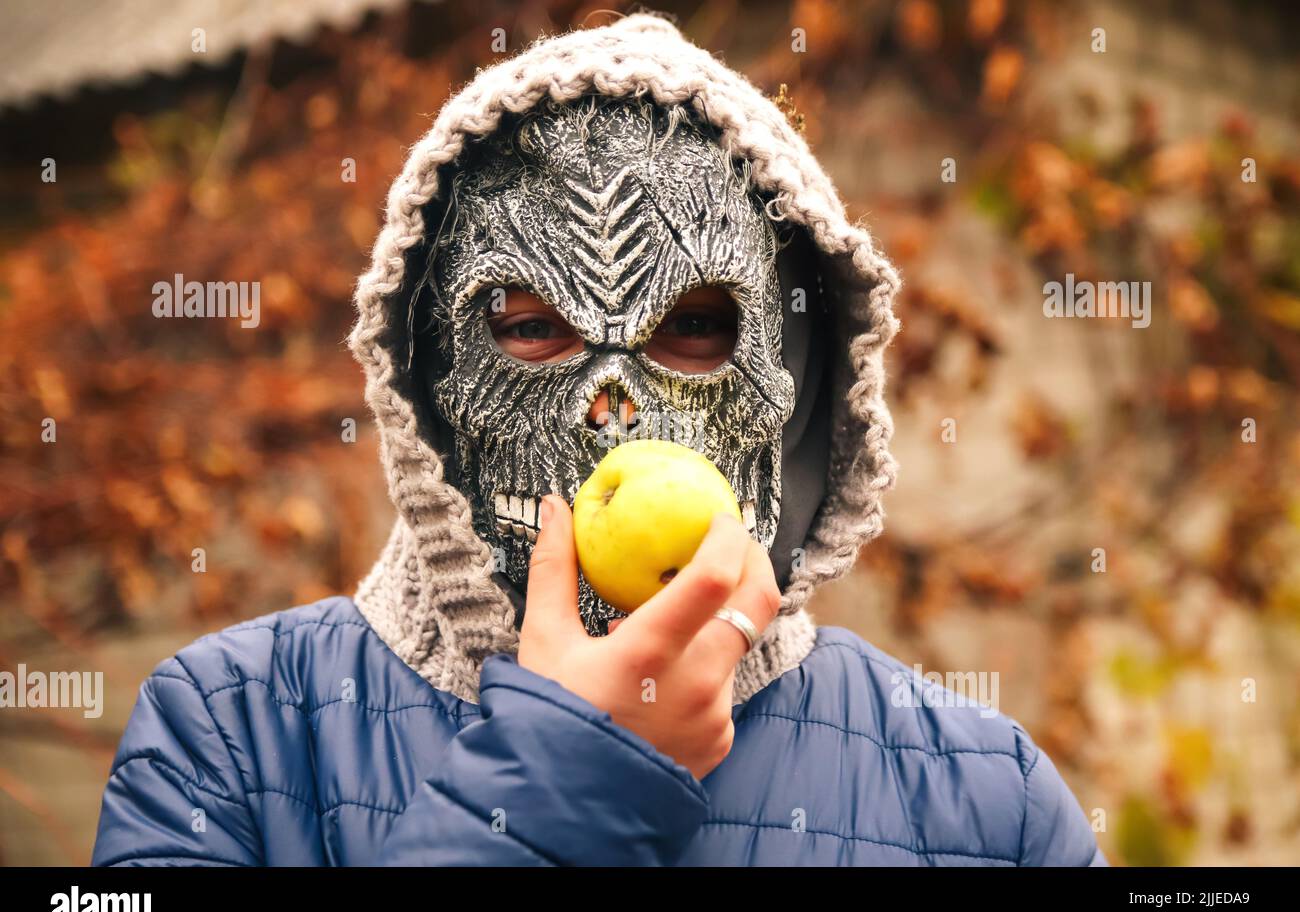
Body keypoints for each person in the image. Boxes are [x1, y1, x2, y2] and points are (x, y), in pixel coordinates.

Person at [91, 12, 1105, 866]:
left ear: (791, 376)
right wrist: (555, 784)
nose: (611, 410)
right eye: (530, 326)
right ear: (431, 377)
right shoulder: (228, 735)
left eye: (697, 326)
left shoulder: (982, 803)